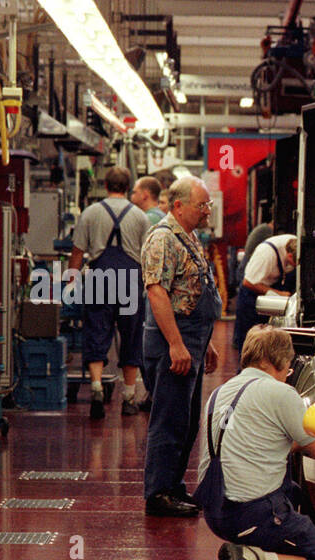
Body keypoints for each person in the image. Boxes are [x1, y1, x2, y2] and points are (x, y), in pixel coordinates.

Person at [199, 325, 315, 560]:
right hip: (253, 515)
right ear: (281, 362)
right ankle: (256, 557)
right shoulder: (280, 393)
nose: (288, 375)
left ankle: (255, 553)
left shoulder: (220, 393)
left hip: (215, 511)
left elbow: (265, 441)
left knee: (294, 491)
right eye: (288, 369)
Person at [140, 176, 222, 518]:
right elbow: (157, 291)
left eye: (207, 205)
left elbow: (188, 292)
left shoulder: (187, 237)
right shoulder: (162, 239)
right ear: (178, 205)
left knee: (186, 421)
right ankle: (158, 494)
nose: (206, 212)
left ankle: (173, 486)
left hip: (193, 340)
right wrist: (176, 343)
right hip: (173, 341)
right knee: (170, 419)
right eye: (201, 205)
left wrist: (207, 343)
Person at [69, 166, 150, 419]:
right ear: (128, 187)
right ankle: (128, 398)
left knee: (96, 333)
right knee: (131, 337)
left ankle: (96, 390)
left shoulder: (90, 213)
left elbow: (77, 253)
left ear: (105, 185)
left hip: (99, 278)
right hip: (130, 281)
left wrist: (70, 281)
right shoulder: (141, 217)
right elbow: (147, 257)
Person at [232, 233, 296, 358]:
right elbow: (249, 282)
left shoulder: (294, 243)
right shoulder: (266, 254)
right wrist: (279, 294)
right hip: (251, 296)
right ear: (289, 256)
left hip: (271, 287)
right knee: (249, 347)